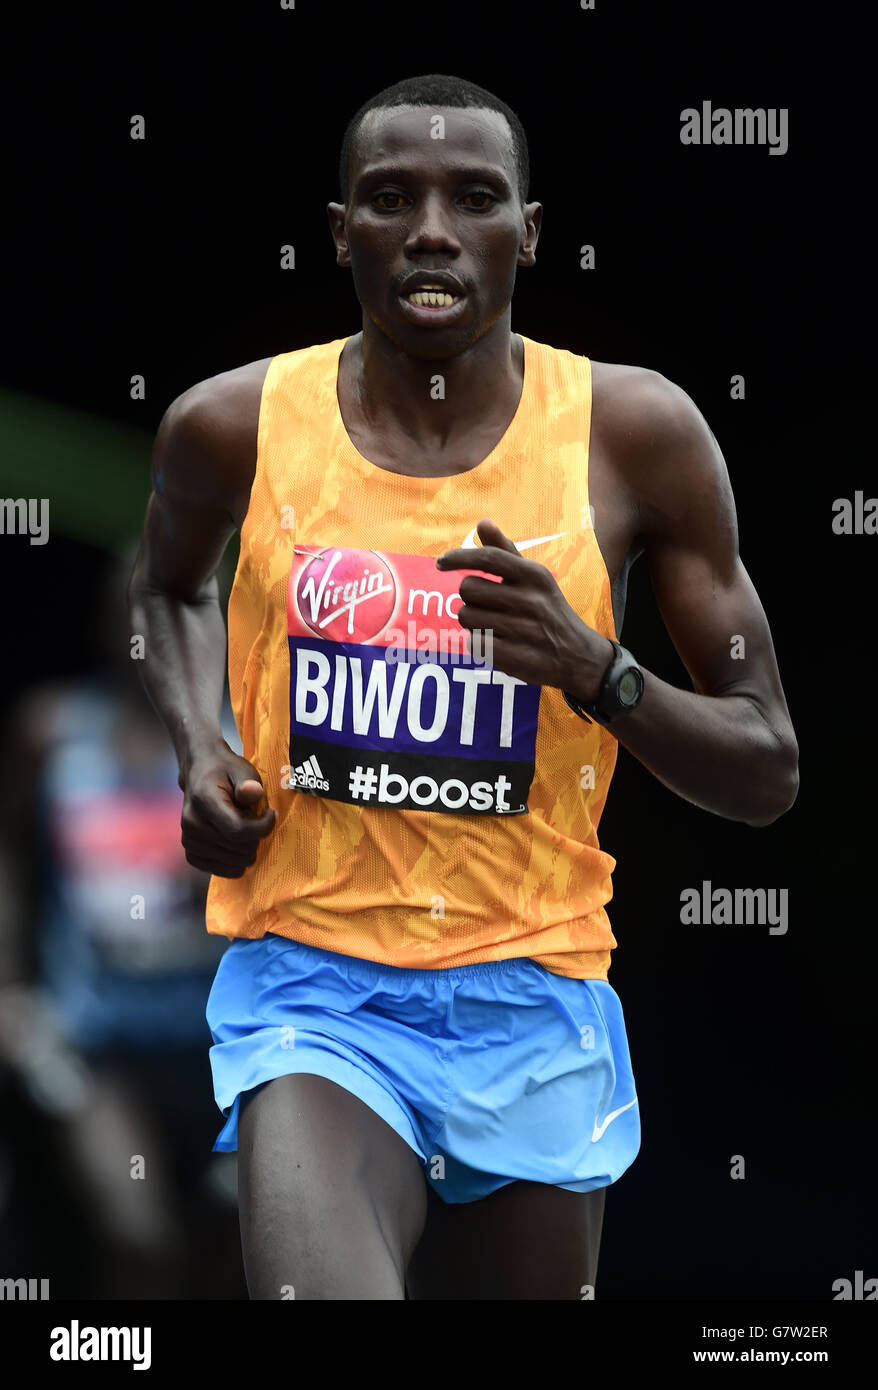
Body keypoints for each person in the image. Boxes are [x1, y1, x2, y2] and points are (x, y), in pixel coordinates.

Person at [127, 73, 798, 1300]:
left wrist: (598, 671)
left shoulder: (631, 434)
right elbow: (166, 585)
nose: (430, 227)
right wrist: (200, 743)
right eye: (390, 198)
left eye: (473, 197)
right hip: (313, 986)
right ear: (341, 235)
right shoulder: (230, 424)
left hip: (534, 991)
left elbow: (765, 768)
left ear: (527, 232)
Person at [0, 546, 245, 1298]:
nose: (150, 629)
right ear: (109, 623)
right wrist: (12, 993)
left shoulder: (253, 739)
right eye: (136, 610)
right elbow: (11, 866)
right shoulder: (52, 733)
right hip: (98, 1045)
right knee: (138, 1238)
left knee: (232, 1246)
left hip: (231, 1050)